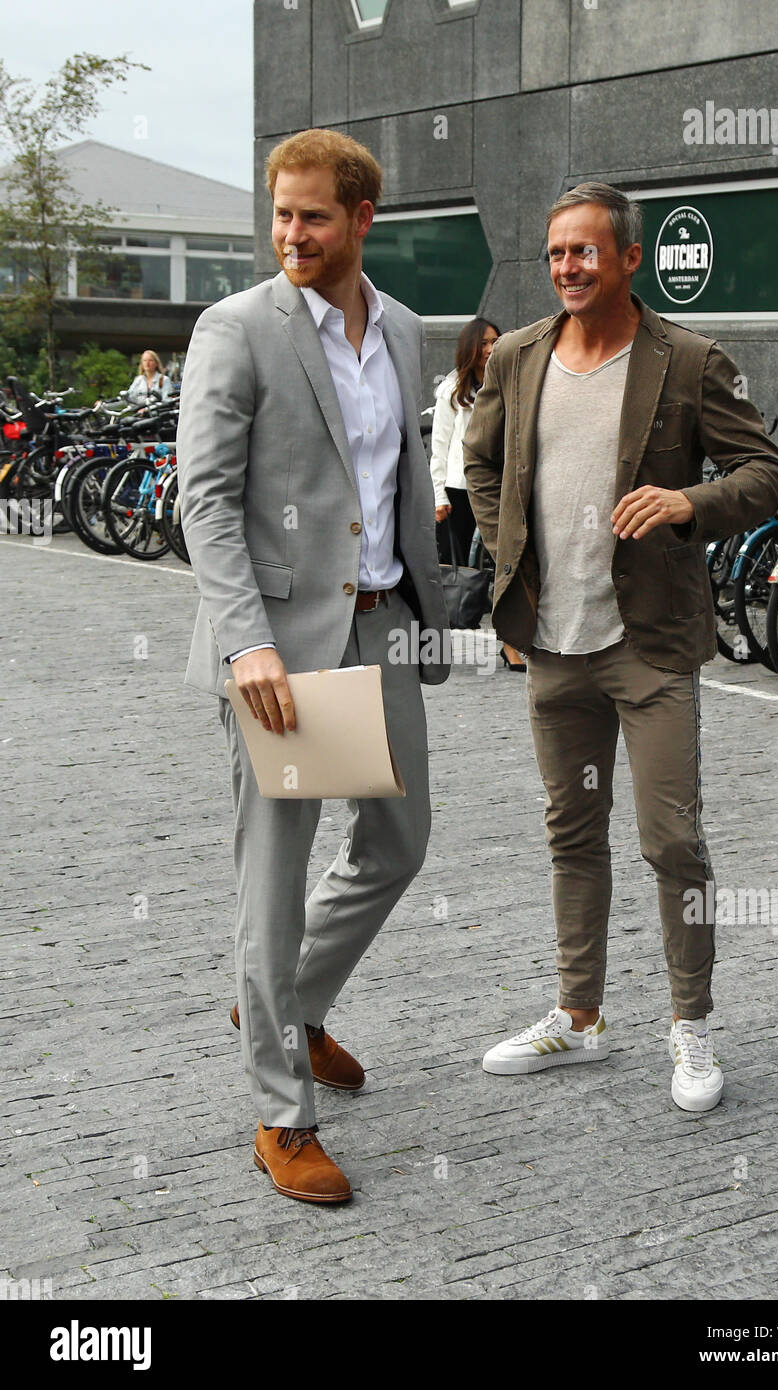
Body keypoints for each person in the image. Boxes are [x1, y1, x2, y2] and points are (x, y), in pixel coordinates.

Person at [463, 181, 778, 1112]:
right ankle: (580, 1017)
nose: (567, 266)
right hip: (553, 645)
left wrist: (691, 503)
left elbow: (766, 474)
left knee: (671, 839)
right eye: (556, 253)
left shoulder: (686, 360)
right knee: (572, 835)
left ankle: (691, 1027)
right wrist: (509, 552)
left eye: (585, 251)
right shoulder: (519, 356)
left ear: (629, 260)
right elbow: (480, 464)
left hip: (648, 646)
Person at [177, 128, 449, 1203]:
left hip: (380, 623)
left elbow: (394, 474)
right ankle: (281, 1113)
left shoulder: (404, 330)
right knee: (273, 880)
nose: (291, 234)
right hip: (279, 649)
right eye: (281, 215)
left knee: (397, 841)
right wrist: (248, 641)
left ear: (362, 218)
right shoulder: (235, 328)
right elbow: (204, 500)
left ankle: (287, 997)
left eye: (313, 217)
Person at [430, 319, 525, 671]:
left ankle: (510, 643)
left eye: (495, 341)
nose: (490, 348)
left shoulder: (508, 382)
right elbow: (438, 450)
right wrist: (438, 496)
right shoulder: (452, 390)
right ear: (470, 347)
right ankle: (437, 641)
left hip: (501, 489)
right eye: (484, 343)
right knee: (454, 573)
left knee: (506, 567)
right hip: (458, 491)